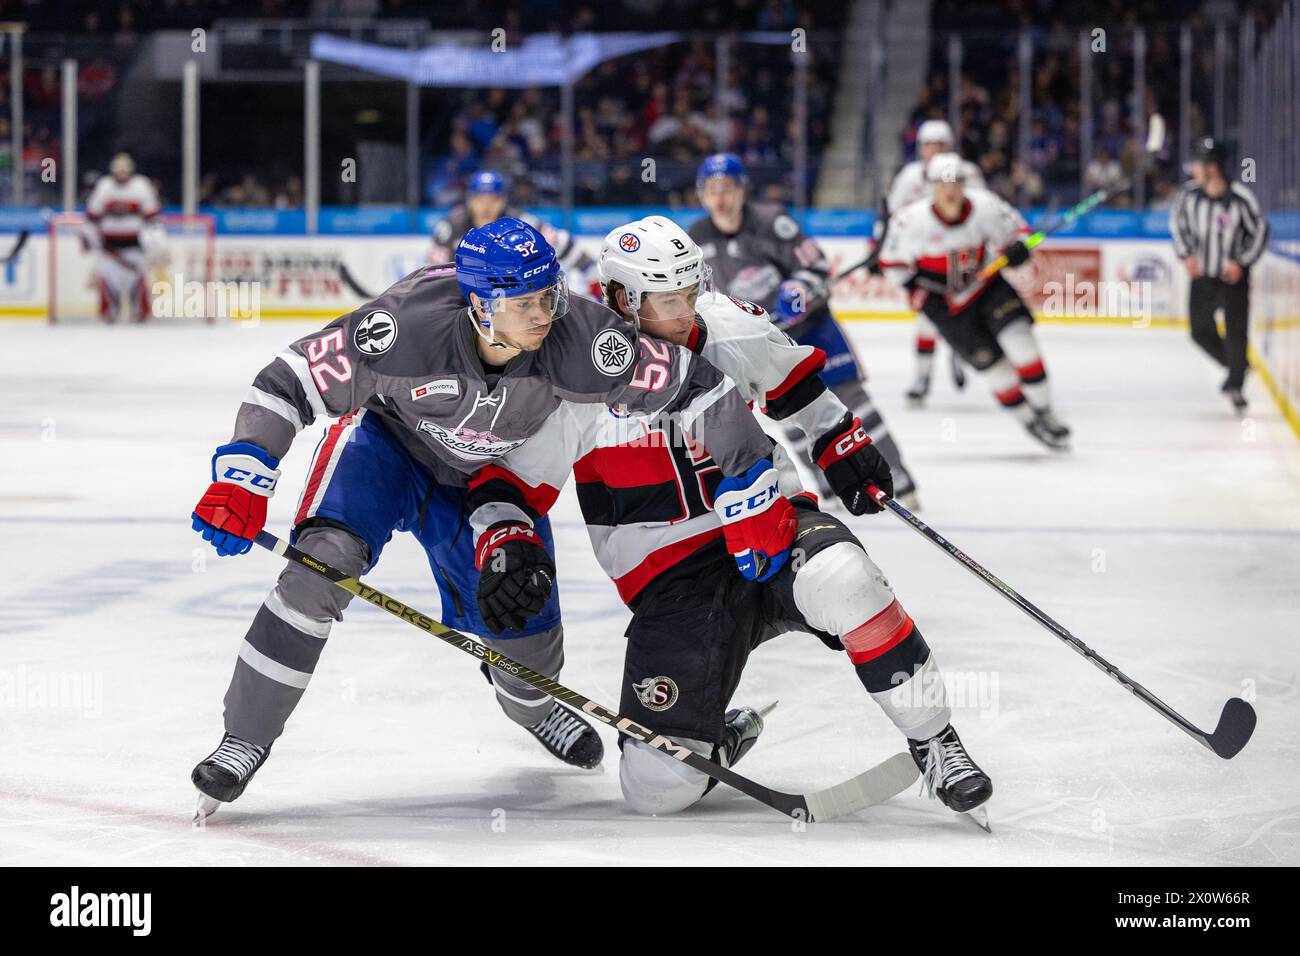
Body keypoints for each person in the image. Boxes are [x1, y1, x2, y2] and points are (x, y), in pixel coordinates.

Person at [188, 217, 782, 819]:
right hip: (387, 450)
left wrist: (752, 479)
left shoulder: (584, 340)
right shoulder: (403, 325)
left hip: (487, 484)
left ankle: (529, 704)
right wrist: (244, 469)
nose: (542, 315)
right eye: (523, 303)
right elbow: (289, 381)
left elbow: (696, 389)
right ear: (478, 303)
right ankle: (244, 738)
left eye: (547, 295)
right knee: (319, 569)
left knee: (523, 622)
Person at [467, 216, 993, 820]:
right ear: (621, 301)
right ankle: (719, 734)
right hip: (671, 582)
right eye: (668, 301)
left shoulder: (728, 325)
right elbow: (506, 479)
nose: (688, 312)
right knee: (654, 792)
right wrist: (505, 540)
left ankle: (937, 743)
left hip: (773, 528)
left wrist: (838, 440)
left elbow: (794, 383)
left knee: (846, 578)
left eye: (690, 293)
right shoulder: (573, 378)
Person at [688, 152, 920, 507]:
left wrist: (799, 288)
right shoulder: (696, 237)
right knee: (786, 410)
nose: (720, 197)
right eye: (712, 189)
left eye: (728, 188)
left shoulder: (772, 221)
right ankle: (832, 486)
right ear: (702, 194)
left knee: (854, 401)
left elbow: (815, 264)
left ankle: (897, 477)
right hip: (764, 337)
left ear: (743, 190)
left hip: (812, 327)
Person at [878, 153, 1071, 449]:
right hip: (947, 307)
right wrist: (925, 297)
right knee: (997, 372)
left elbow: (1017, 233)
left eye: (955, 182)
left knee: (1022, 347)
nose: (949, 190)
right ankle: (1029, 422)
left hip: (987, 289)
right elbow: (893, 267)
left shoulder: (985, 206)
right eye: (942, 184)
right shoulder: (909, 222)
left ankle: (1046, 412)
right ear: (931, 187)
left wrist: (1019, 249)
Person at [885, 120, 987, 403]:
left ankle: (957, 349)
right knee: (927, 319)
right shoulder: (909, 176)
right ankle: (921, 379)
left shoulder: (966, 173)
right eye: (929, 144)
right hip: (926, 258)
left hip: (961, 258)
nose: (934, 150)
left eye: (939, 144)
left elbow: (983, 210)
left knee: (963, 313)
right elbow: (894, 214)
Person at [1169, 137, 1270, 412]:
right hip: (1202, 274)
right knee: (1200, 330)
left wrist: (1242, 262)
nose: (1193, 170)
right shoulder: (1188, 196)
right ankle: (1237, 366)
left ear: (1213, 168)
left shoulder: (1240, 199)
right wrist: (1186, 254)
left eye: (1198, 165)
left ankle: (1236, 385)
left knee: (1237, 331)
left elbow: (1260, 231)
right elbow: (1177, 225)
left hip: (1232, 277)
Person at [429, 170, 600, 297]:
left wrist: (593, 274)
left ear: (502, 200)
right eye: (480, 199)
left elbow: (561, 242)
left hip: (515, 300)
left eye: (493, 200)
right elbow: (435, 275)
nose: (486, 206)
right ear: (470, 199)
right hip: (467, 300)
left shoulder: (522, 223)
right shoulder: (451, 225)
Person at [83, 153, 163, 323]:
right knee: (108, 282)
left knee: (137, 281)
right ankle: (109, 311)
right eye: (118, 170)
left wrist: (153, 243)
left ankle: (139, 311)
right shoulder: (104, 187)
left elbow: (153, 220)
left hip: (134, 246)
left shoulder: (141, 186)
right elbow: (92, 218)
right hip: (109, 247)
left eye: (124, 170)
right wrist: (92, 241)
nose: (121, 173)